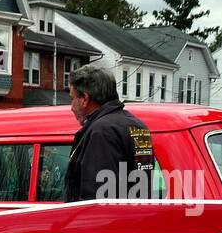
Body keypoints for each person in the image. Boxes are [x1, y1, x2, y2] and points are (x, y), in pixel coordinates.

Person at [63, 63, 155, 202]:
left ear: (85, 99)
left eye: (73, 99)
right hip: (136, 217)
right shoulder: (138, 126)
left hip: (107, 220)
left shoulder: (101, 132)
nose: (71, 107)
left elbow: (97, 197)